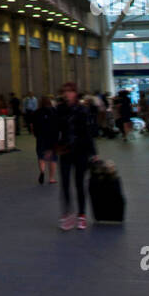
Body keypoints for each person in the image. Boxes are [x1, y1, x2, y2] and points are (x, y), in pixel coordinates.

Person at [56, 82, 96, 231]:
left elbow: (88, 132)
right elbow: (56, 129)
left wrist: (94, 153)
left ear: (75, 93)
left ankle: (81, 215)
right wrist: (53, 146)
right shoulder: (60, 109)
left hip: (81, 151)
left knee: (79, 184)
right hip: (65, 150)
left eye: (70, 91)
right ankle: (66, 214)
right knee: (65, 184)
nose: (67, 94)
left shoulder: (83, 110)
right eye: (65, 91)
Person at [34, 95, 58, 186]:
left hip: (41, 137)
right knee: (53, 158)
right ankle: (51, 178)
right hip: (52, 137)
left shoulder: (37, 112)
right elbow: (58, 124)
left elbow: (34, 126)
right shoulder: (54, 111)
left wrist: (36, 135)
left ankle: (42, 171)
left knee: (41, 156)